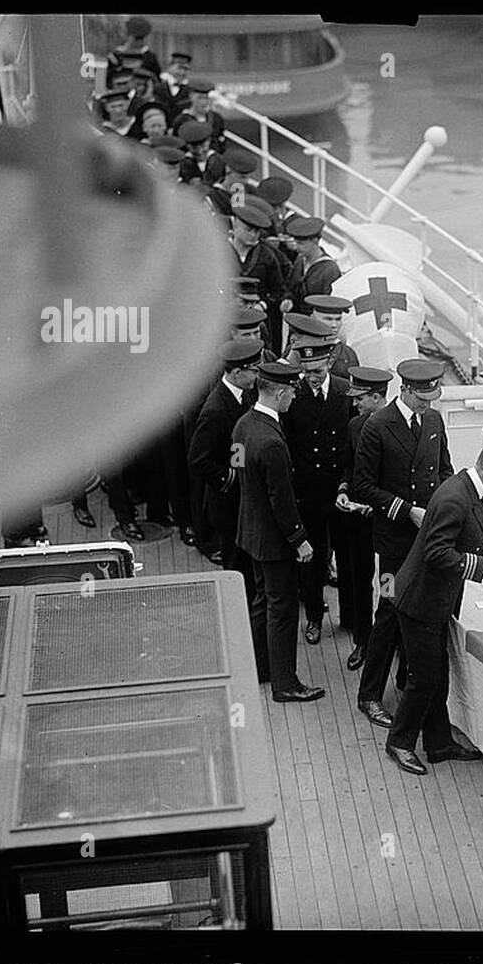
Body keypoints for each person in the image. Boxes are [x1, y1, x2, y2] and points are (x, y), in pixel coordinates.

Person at [386, 436, 483, 775]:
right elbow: (436, 553)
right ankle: (399, 742)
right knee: (423, 678)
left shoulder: (466, 491)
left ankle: (438, 743)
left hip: (434, 600)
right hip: (420, 601)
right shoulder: (455, 498)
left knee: (437, 675)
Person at [351, 358, 454, 727]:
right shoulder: (376, 427)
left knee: (420, 607)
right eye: (423, 398)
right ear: (406, 390)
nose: (429, 405)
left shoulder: (434, 420)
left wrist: (446, 508)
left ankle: (406, 679)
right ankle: (369, 695)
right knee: (390, 607)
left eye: (432, 399)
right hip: (394, 539)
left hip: (427, 534)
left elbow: (444, 469)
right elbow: (363, 485)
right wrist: (406, 510)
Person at [230, 359, 324, 704]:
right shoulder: (272, 442)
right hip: (274, 541)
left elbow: (238, 470)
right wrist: (299, 541)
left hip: (250, 532)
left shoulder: (243, 425)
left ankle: (260, 667)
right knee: (282, 610)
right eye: (292, 393)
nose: (294, 399)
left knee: (261, 601)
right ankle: (285, 683)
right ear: (281, 392)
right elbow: (281, 500)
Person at [282, 330, 352, 646]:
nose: (311, 377)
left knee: (347, 554)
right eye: (307, 371)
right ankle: (313, 616)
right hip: (308, 492)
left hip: (340, 490)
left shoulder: (345, 392)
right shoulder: (293, 396)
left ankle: (349, 616)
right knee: (312, 560)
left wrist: (346, 484)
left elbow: (353, 445)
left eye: (318, 372)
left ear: (329, 365)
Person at [188, 338, 261, 599]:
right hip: (229, 503)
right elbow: (198, 459)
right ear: (237, 372)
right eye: (253, 370)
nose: (257, 374)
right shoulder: (216, 410)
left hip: (245, 498)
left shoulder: (246, 393)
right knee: (235, 562)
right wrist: (231, 477)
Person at [335, 367, 391, 685]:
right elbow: (349, 464)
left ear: (375, 397)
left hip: (387, 518)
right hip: (357, 515)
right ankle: (362, 639)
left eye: (360, 399)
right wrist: (343, 489)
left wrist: (380, 505)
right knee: (358, 576)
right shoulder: (355, 425)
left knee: (388, 579)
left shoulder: (398, 427)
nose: (355, 405)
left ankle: (387, 639)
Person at [227, 202, 288, 353]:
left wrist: (262, 305)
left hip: (259, 320)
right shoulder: (219, 251)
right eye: (249, 230)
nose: (254, 235)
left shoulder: (268, 255)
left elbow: (278, 290)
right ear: (235, 226)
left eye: (257, 231)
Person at [304, 295, 360, 378]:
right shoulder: (299, 348)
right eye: (328, 319)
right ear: (313, 318)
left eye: (338, 319)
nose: (334, 325)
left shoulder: (347, 353)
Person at [172, 78, 226, 153]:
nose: (203, 102)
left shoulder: (216, 118)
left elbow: (221, 142)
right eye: (199, 98)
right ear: (191, 97)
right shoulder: (181, 120)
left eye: (206, 98)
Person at [106, 15, 162, 80]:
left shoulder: (150, 57)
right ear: (127, 36)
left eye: (142, 39)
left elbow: (157, 78)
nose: (140, 42)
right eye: (136, 38)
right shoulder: (115, 57)